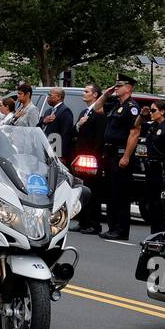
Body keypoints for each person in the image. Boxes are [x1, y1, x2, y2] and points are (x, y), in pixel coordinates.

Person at [97, 77, 144, 241]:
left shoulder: (132, 108)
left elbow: (134, 133)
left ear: (128, 88)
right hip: (110, 154)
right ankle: (112, 227)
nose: (116, 88)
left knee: (121, 194)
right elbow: (97, 108)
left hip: (120, 154)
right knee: (111, 193)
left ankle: (121, 229)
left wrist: (126, 156)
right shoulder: (116, 104)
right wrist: (105, 94)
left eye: (119, 86)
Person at [71, 84, 107, 235]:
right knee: (81, 189)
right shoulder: (83, 112)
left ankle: (94, 223)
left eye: (87, 91)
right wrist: (79, 124)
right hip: (80, 157)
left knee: (93, 191)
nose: (84, 94)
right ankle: (83, 221)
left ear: (95, 95)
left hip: (92, 159)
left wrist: (97, 157)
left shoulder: (99, 113)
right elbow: (75, 132)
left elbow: (100, 136)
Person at [142, 100, 165, 233]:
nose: (151, 113)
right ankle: (154, 232)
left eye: (153, 110)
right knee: (151, 202)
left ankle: (160, 232)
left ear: (162, 112)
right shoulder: (152, 127)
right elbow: (136, 125)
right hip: (150, 167)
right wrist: (143, 114)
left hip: (161, 168)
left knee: (159, 202)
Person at [40, 87, 76, 161]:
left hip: (55, 152)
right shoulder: (48, 111)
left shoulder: (65, 111)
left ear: (58, 97)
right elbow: (38, 127)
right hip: (45, 149)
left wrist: (60, 154)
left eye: (50, 95)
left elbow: (65, 135)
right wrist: (44, 121)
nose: (48, 97)